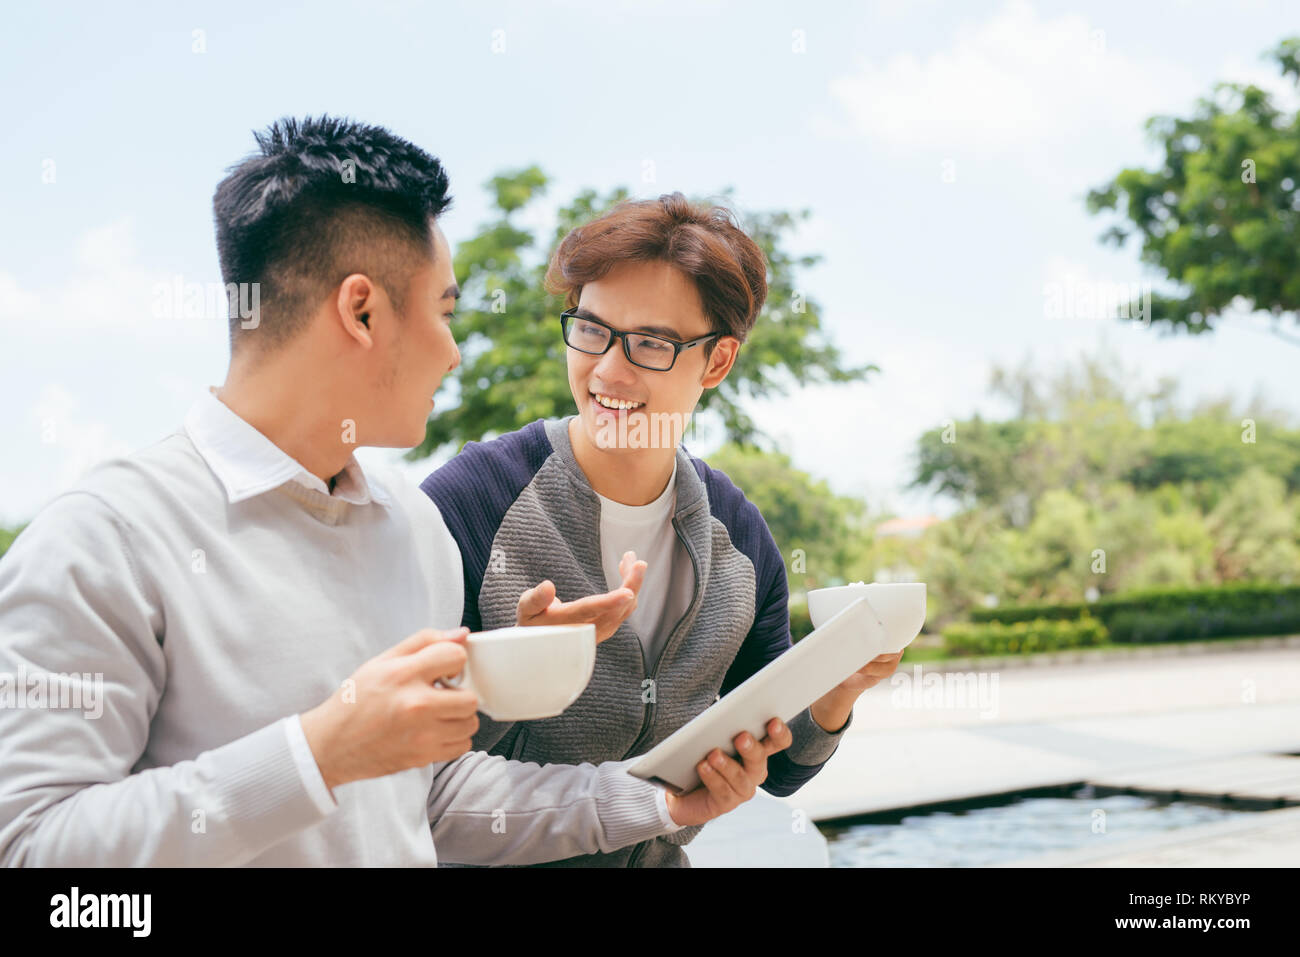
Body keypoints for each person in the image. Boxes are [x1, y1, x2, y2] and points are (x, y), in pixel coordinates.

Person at [0, 117, 788, 867]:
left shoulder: (414, 530)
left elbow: (433, 797)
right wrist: (321, 748)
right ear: (362, 310)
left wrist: (652, 801)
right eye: (444, 312)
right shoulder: (103, 539)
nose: (452, 353)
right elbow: (30, 848)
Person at [421, 193, 903, 867]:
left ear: (717, 362)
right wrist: (513, 673)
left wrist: (837, 689)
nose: (608, 370)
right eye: (590, 330)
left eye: (650, 343)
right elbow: (408, 772)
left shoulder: (740, 537)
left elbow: (785, 763)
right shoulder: (467, 505)